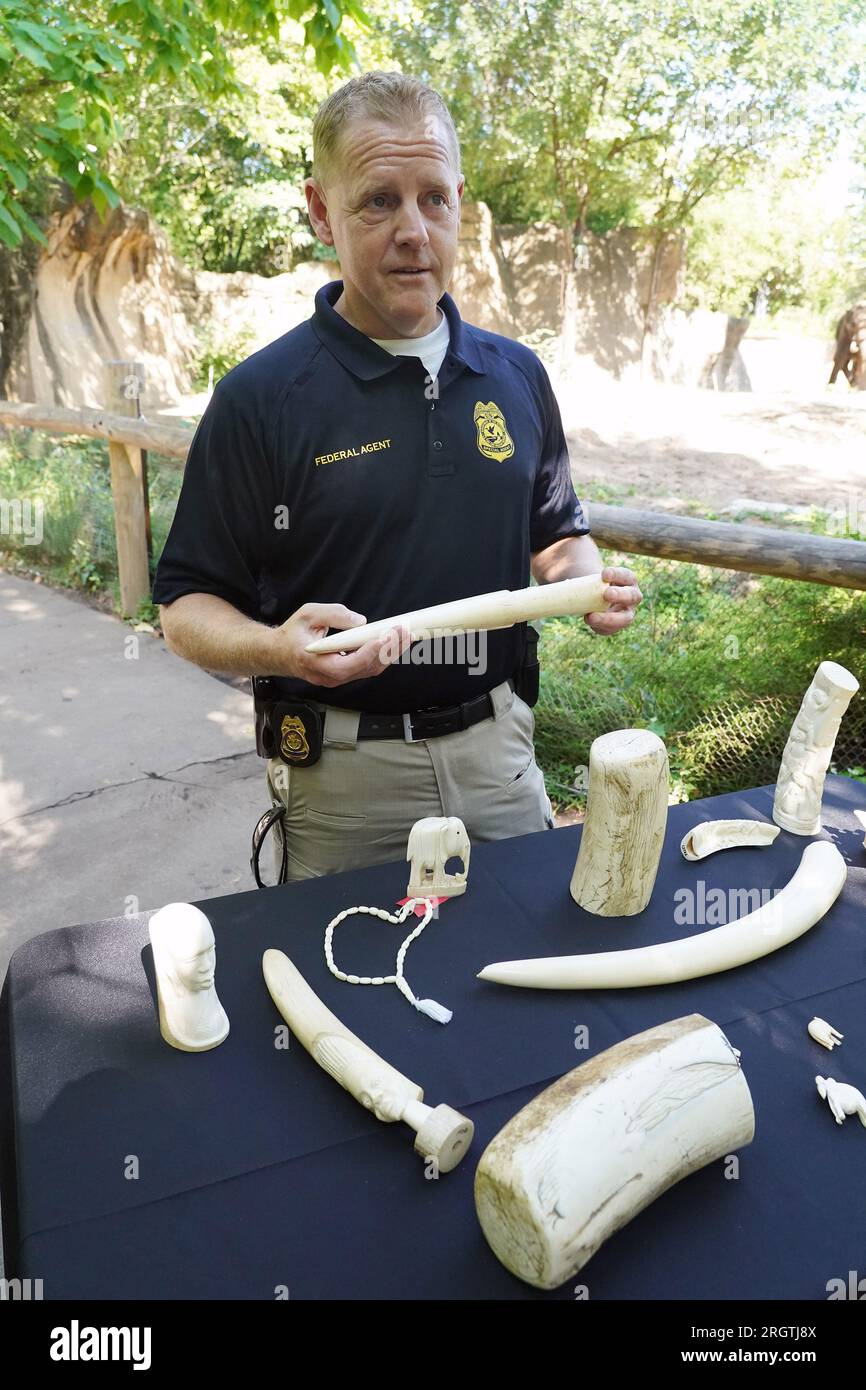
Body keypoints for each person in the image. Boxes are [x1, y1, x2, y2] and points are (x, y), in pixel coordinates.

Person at [153, 70, 643, 885]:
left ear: (459, 202)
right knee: (347, 1000)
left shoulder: (516, 376)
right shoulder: (262, 400)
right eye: (379, 200)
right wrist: (277, 647)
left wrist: (590, 587)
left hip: (502, 756)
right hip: (346, 783)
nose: (414, 230)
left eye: (434, 199)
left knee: (532, 972)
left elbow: (555, 535)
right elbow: (184, 609)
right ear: (321, 212)